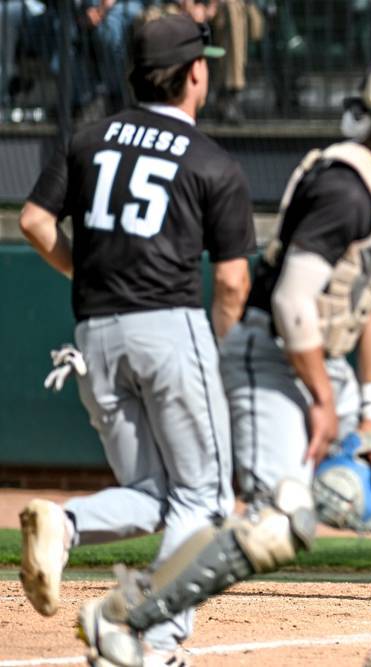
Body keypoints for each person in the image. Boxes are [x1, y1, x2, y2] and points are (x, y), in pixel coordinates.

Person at [72, 44, 371, 667]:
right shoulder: (345, 185)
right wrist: (323, 400)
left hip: (325, 361)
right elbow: (293, 304)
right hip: (268, 354)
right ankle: (121, 616)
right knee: (280, 524)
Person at [17, 13, 254, 663]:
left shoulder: (87, 138)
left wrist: (85, 270)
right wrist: (219, 350)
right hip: (171, 327)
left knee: (153, 494)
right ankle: (157, 638)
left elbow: (35, 221)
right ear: (195, 73)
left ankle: (63, 524)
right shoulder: (211, 160)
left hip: (94, 332)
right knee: (203, 499)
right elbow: (232, 283)